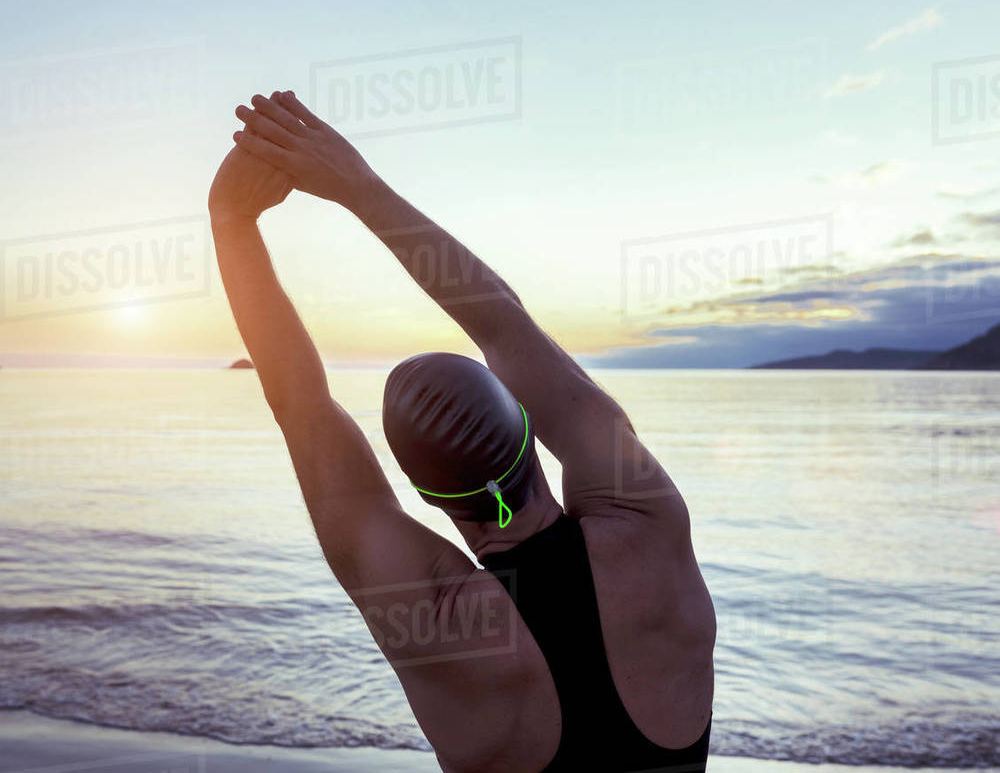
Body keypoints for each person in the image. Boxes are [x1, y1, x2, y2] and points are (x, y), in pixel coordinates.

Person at [208, 90, 715, 772]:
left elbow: (303, 407)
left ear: (424, 495)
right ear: (529, 424)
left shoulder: (438, 623)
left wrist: (231, 222)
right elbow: (502, 323)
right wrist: (358, 187)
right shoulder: (649, 527)